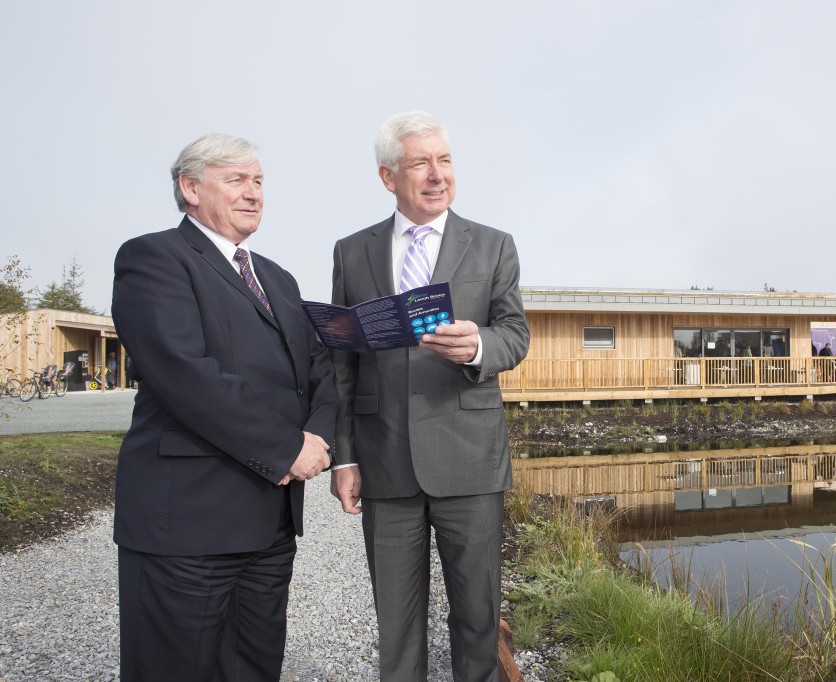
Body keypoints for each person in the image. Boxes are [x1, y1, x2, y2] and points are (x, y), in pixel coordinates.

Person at [110, 133, 337, 682]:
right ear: (190, 187)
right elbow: (185, 374)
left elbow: (320, 372)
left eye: (258, 181)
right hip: (187, 526)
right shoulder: (154, 258)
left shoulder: (278, 280)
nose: (253, 193)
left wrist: (320, 442)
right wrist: (287, 447)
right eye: (236, 180)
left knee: (254, 668)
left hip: (269, 525)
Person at [329, 111, 530, 681]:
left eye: (444, 160)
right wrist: (345, 455)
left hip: (469, 459)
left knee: (477, 618)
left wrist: (476, 348)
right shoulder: (352, 253)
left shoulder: (494, 246)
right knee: (395, 625)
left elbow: (514, 335)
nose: (437, 174)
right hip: (384, 458)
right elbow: (344, 361)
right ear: (388, 176)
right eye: (420, 163)